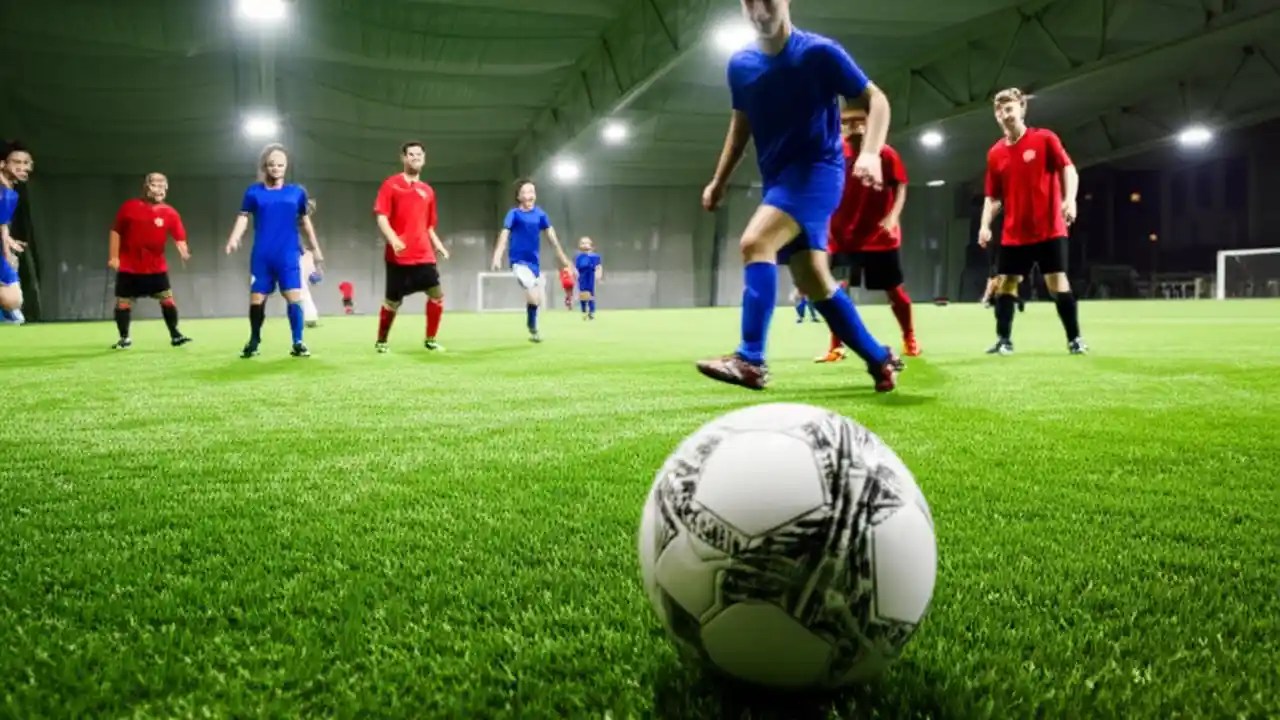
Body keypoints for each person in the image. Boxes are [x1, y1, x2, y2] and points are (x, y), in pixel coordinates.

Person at [696, 0, 903, 391]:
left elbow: (877, 100)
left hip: (818, 175)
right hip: (779, 180)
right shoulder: (740, 66)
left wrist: (872, 153)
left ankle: (750, 359)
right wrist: (719, 180)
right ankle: (879, 359)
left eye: (768, 1)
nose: (760, 11)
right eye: (750, 2)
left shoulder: (819, 53)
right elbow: (741, 126)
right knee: (814, 281)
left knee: (756, 242)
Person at [978, 87, 1087, 356]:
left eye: (1009, 107)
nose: (1004, 113)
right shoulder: (995, 154)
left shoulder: (1044, 139)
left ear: (1022, 108)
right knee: (1006, 284)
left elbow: (1068, 168)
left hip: (1050, 228)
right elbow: (993, 197)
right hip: (1015, 232)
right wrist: (984, 225)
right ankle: (1004, 341)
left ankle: (1075, 340)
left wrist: (1070, 199)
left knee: (1056, 282)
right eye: (999, 110)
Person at [816, 105, 918, 363]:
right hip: (842, 237)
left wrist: (893, 216)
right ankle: (836, 346)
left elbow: (901, 184)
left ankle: (909, 337)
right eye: (848, 122)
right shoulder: (834, 152)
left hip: (879, 237)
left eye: (860, 121)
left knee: (894, 291)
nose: (855, 126)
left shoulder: (884, 153)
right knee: (836, 291)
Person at [224, 143, 324, 358]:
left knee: (294, 298)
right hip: (262, 256)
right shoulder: (253, 192)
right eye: (271, 164)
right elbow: (243, 217)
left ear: (286, 167)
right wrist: (234, 238)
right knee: (257, 299)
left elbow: (306, 223)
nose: (276, 168)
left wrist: (315, 249)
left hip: (287, 255)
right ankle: (254, 340)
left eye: (280, 164)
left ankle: (298, 342)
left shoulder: (296, 193)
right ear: (265, 167)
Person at [374, 141, 450, 353]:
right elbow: (381, 216)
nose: (415, 157)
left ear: (424, 159)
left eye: (419, 154)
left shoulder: (428, 191)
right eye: (411, 154)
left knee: (436, 295)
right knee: (392, 302)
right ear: (403, 158)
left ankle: (431, 340)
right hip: (398, 257)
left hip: (424, 255)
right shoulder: (391, 184)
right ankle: (381, 341)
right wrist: (393, 239)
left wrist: (439, 245)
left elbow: (429, 226)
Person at [107, 172, 193, 348]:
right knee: (123, 303)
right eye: (156, 184)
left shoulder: (170, 213)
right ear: (146, 187)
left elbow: (179, 236)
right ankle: (124, 338)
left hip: (155, 268)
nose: (160, 189)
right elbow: (116, 231)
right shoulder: (129, 207)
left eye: (164, 186)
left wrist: (183, 250)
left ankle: (175, 335)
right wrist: (114, 257)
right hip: (130, 268)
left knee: (168, 300)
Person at [489, 178, 572, 342]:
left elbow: (553, 240)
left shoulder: (540, 215)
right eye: (525, 192)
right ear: (519, 197)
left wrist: (565, 261)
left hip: (534, 263)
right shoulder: (514, 214)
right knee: (533, 296)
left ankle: (532, 325)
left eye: (532, 191)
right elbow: (504, 235)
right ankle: (533, 327)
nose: (529, 195)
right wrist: (497, 256)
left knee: (538, 299)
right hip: (518, 262)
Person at [0, 142, 32, 325]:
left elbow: (2, 224)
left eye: (26, 162)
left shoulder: (9, 191)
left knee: (14, 301)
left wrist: (8, 240)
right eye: (16, 162)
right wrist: (6, 253)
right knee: (13, 301)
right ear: (3, 164)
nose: (23, 167)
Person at [574, 236, 603, 320]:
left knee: (591, 294)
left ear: (591, 245)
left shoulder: (595, 257)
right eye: (582, 243)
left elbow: (598, 267)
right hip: (582, 277)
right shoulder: (579, 257)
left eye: (586, 243)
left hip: (591, 276)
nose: (584, 245)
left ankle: (592, 312)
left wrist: (599, 275)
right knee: (583, 294)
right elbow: (576, 268)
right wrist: (576, 274)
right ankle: (584, 311)